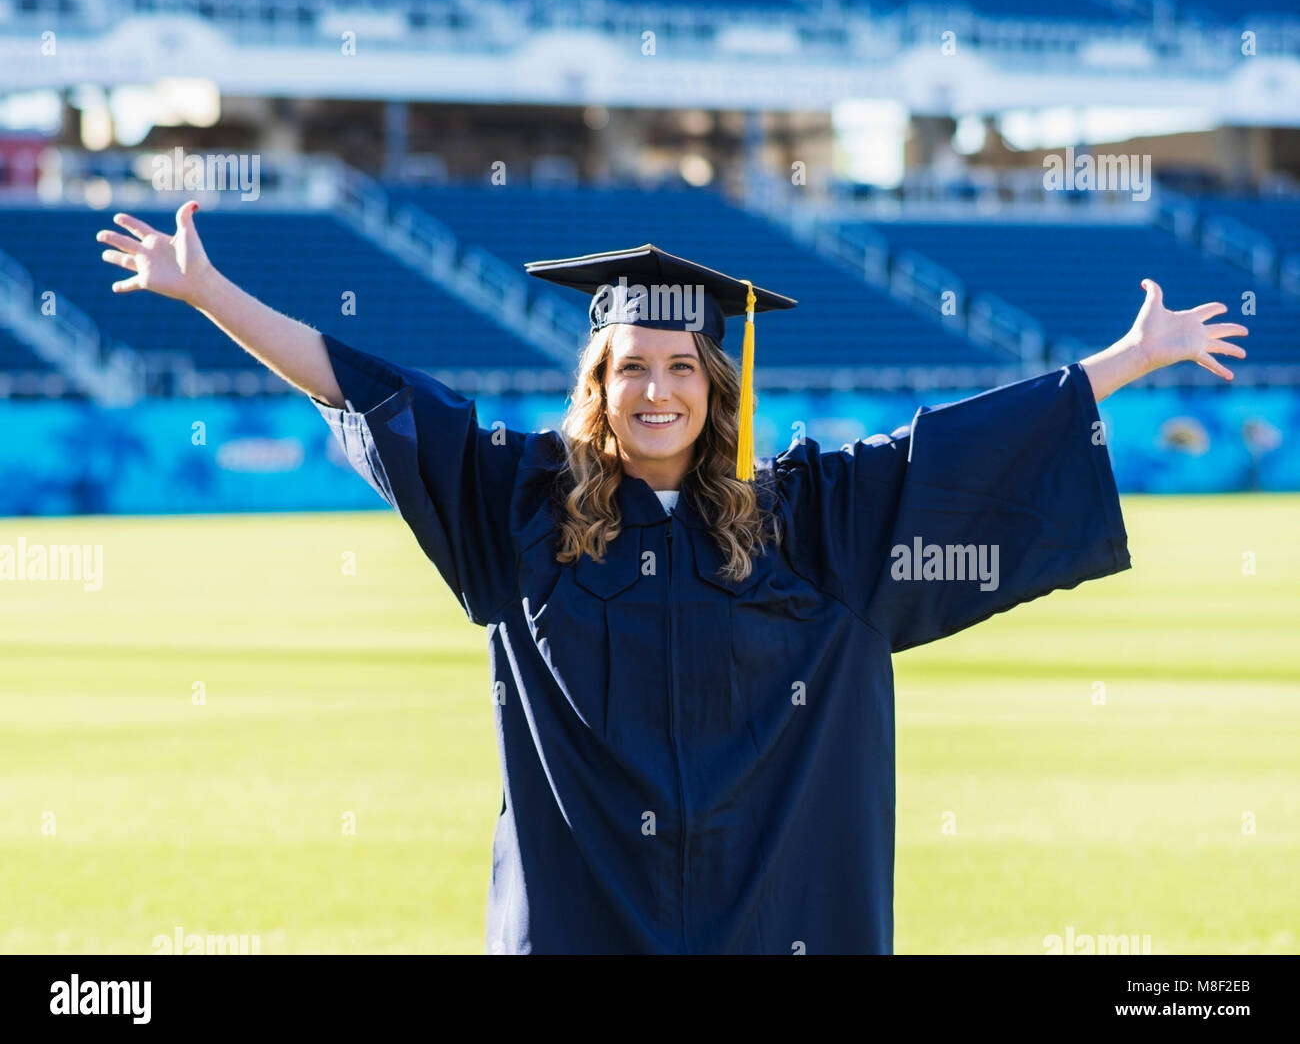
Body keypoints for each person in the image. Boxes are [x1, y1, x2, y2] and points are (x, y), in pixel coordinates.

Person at [96, 201, 1248, 954]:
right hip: (584, 922)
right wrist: (211, 294)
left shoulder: (812, 520)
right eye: (631, 367)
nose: (657, 390)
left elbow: (959, 450)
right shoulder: (519, 514)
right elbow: (362, 391)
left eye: (681, 367)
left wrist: (1128, 359)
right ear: (596, 383)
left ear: (715, 383)